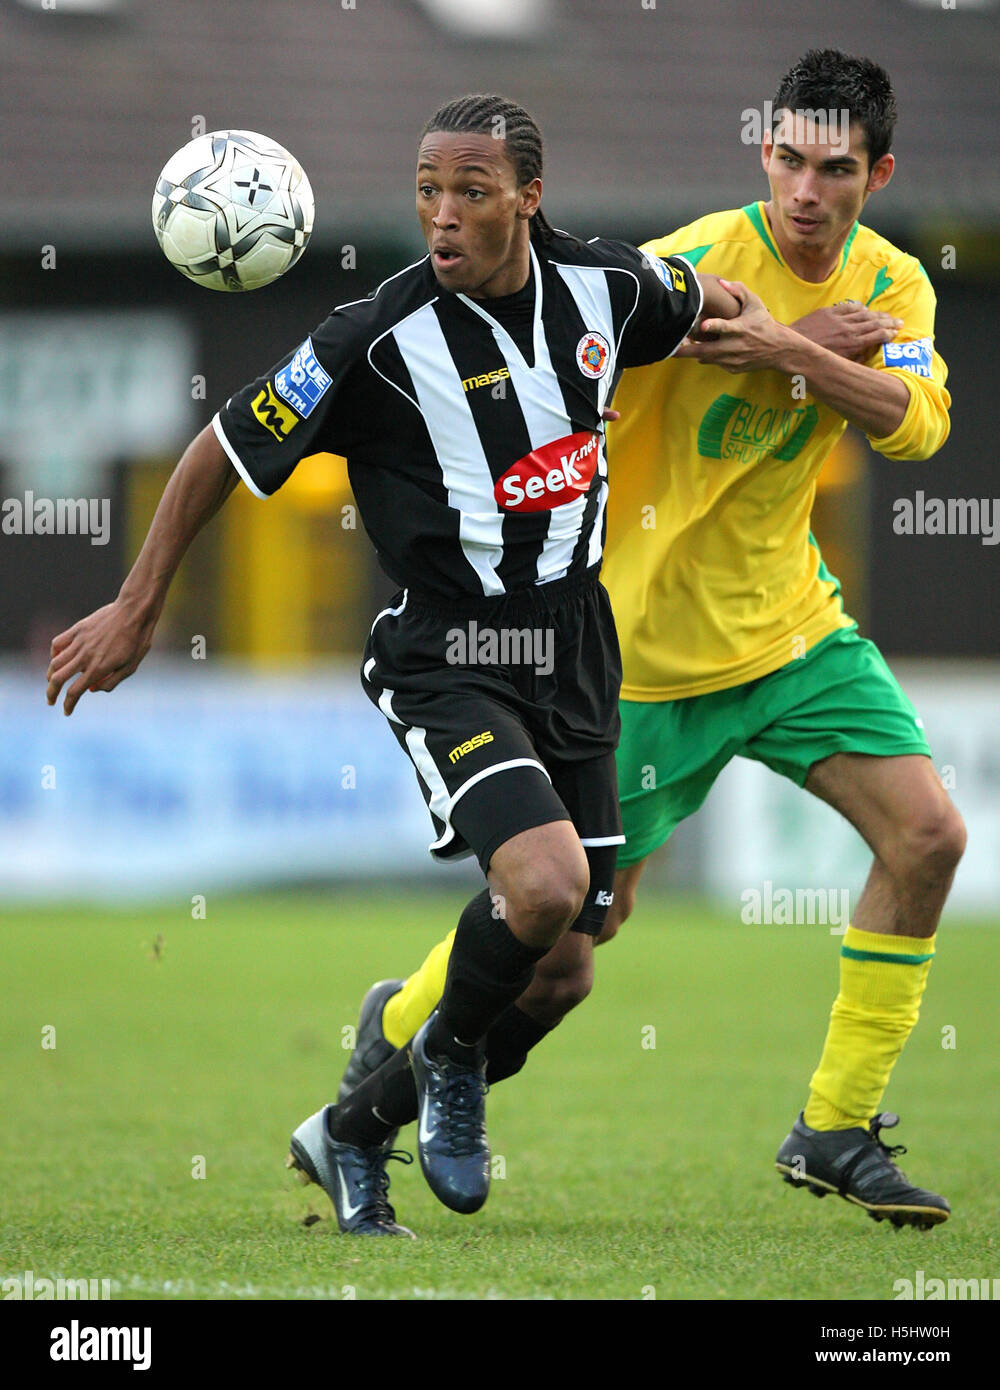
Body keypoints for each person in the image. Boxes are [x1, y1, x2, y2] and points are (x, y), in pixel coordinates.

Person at [45, 94, 743, 1236]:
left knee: (568, 964)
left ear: (529, 195)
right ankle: (452, 1056)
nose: (443, 216)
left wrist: (794, 339)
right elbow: (221, 447)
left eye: (471, 191)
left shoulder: (610, 289)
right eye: (427, 191)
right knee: (544, 886)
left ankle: (355, 1128)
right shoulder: (369, 338)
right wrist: (137, 605)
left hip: (573, 644)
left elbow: (710, 301)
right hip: (449, 651)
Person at [336, 51, 963, 1232]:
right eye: (787, 160)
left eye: (835, 168)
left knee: (928, 836)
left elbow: (918, 427)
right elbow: (581, 346)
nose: (805, 190)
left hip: (793, 636)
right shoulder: (689, 264)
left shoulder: (897, 283)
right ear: (760, 153)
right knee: (569, 948)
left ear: (877, 173)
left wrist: (792, 351)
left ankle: (832, 1126)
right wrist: (746, 344)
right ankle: (399, 1033)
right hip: (639, 662)